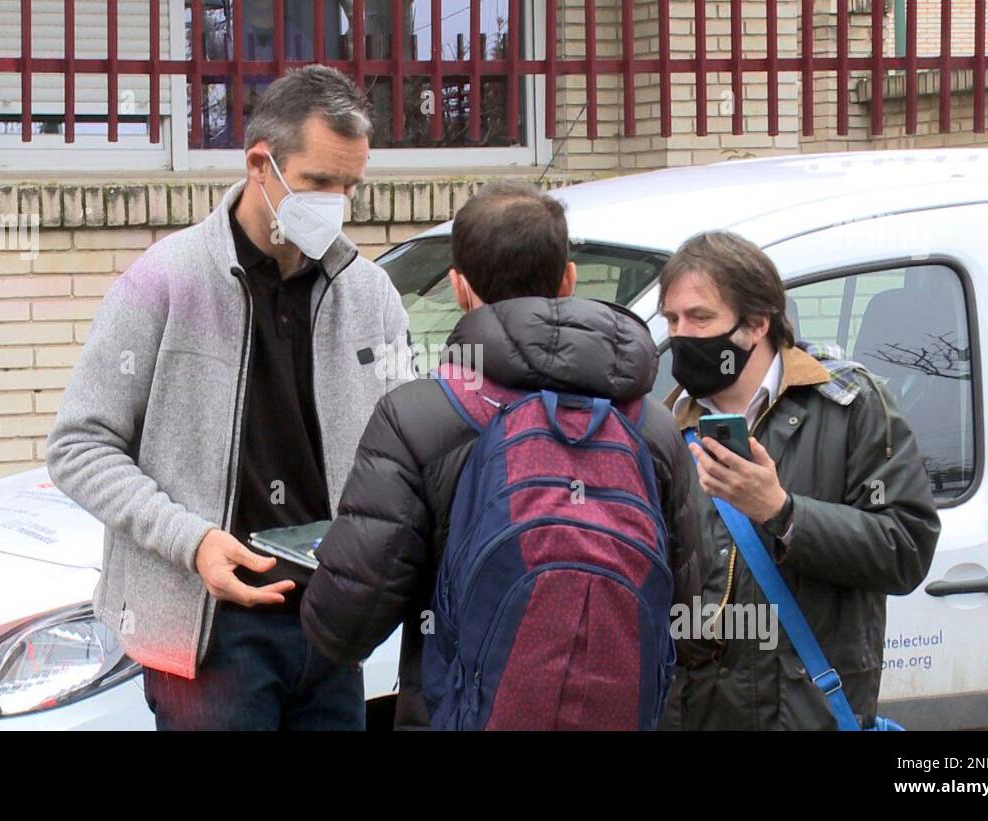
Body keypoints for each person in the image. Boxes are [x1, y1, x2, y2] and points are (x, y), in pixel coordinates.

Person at [46, 66, 416, 730]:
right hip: (209, 632)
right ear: (259, 164)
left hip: (332, 626)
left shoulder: (370, 294)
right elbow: (79, 446)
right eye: (319, 184)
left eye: (350, 187)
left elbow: (401, 452)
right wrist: (192, 542)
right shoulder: (163, 281)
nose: (336, 204)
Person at [300, 181, 702, 729]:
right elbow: (691, 622)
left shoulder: (416, 417)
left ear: (459, 288)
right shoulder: (651, 427)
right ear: (568, 280)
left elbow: (342, 627)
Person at [658, 230, 940, 730]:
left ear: (756, 324)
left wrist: (783, 513)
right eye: (672, 320)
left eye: (700, 318)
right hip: (694, 715)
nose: (682, 335)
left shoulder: (852, 406)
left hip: (804, 714)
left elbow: (906, 550)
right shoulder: (662, 425)